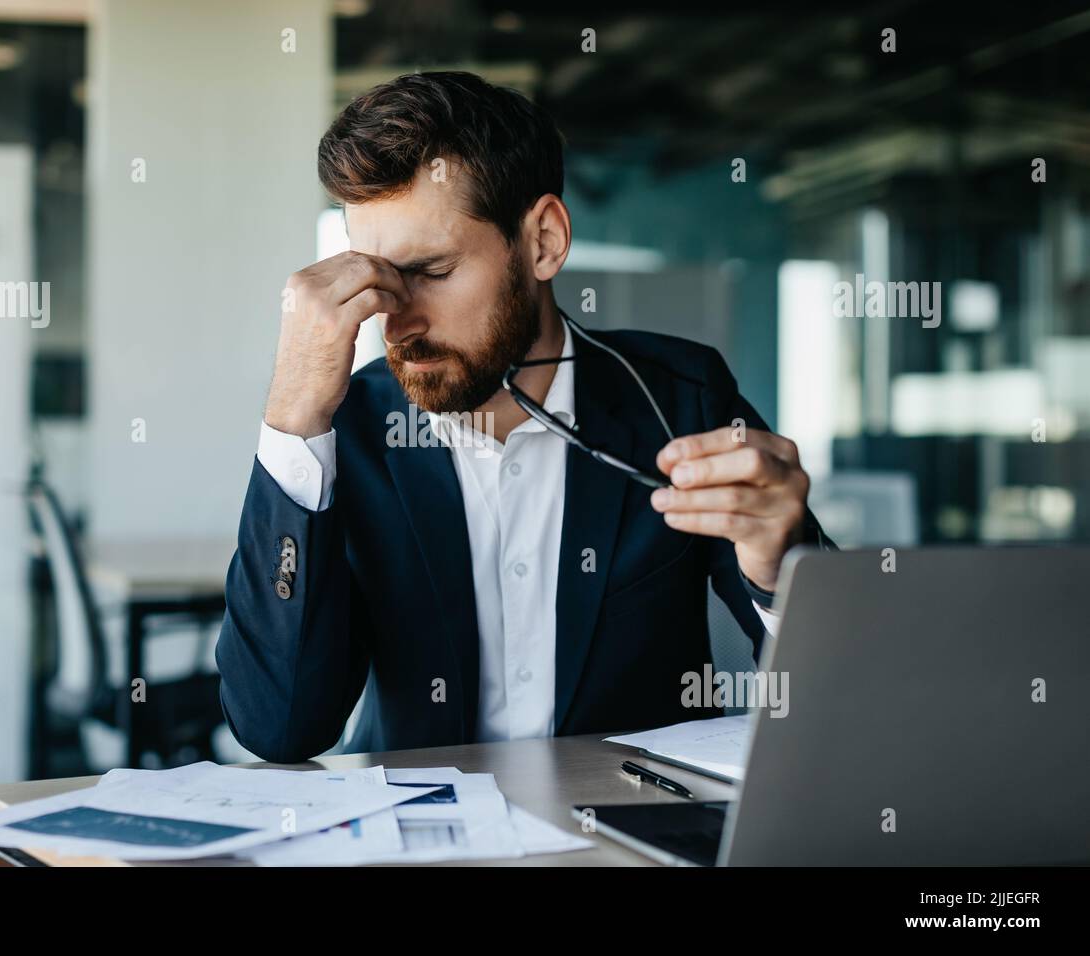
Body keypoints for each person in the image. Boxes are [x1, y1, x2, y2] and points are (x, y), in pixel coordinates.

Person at [216, 71, 830, 763]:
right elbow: (278, 727)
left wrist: (780, 569)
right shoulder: (345, 431)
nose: (398, 321)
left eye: (432, 271)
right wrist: (293, 417)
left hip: (626, 836)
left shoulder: (677, 400)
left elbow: (841, 698)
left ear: (543, 241)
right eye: (377, 279)